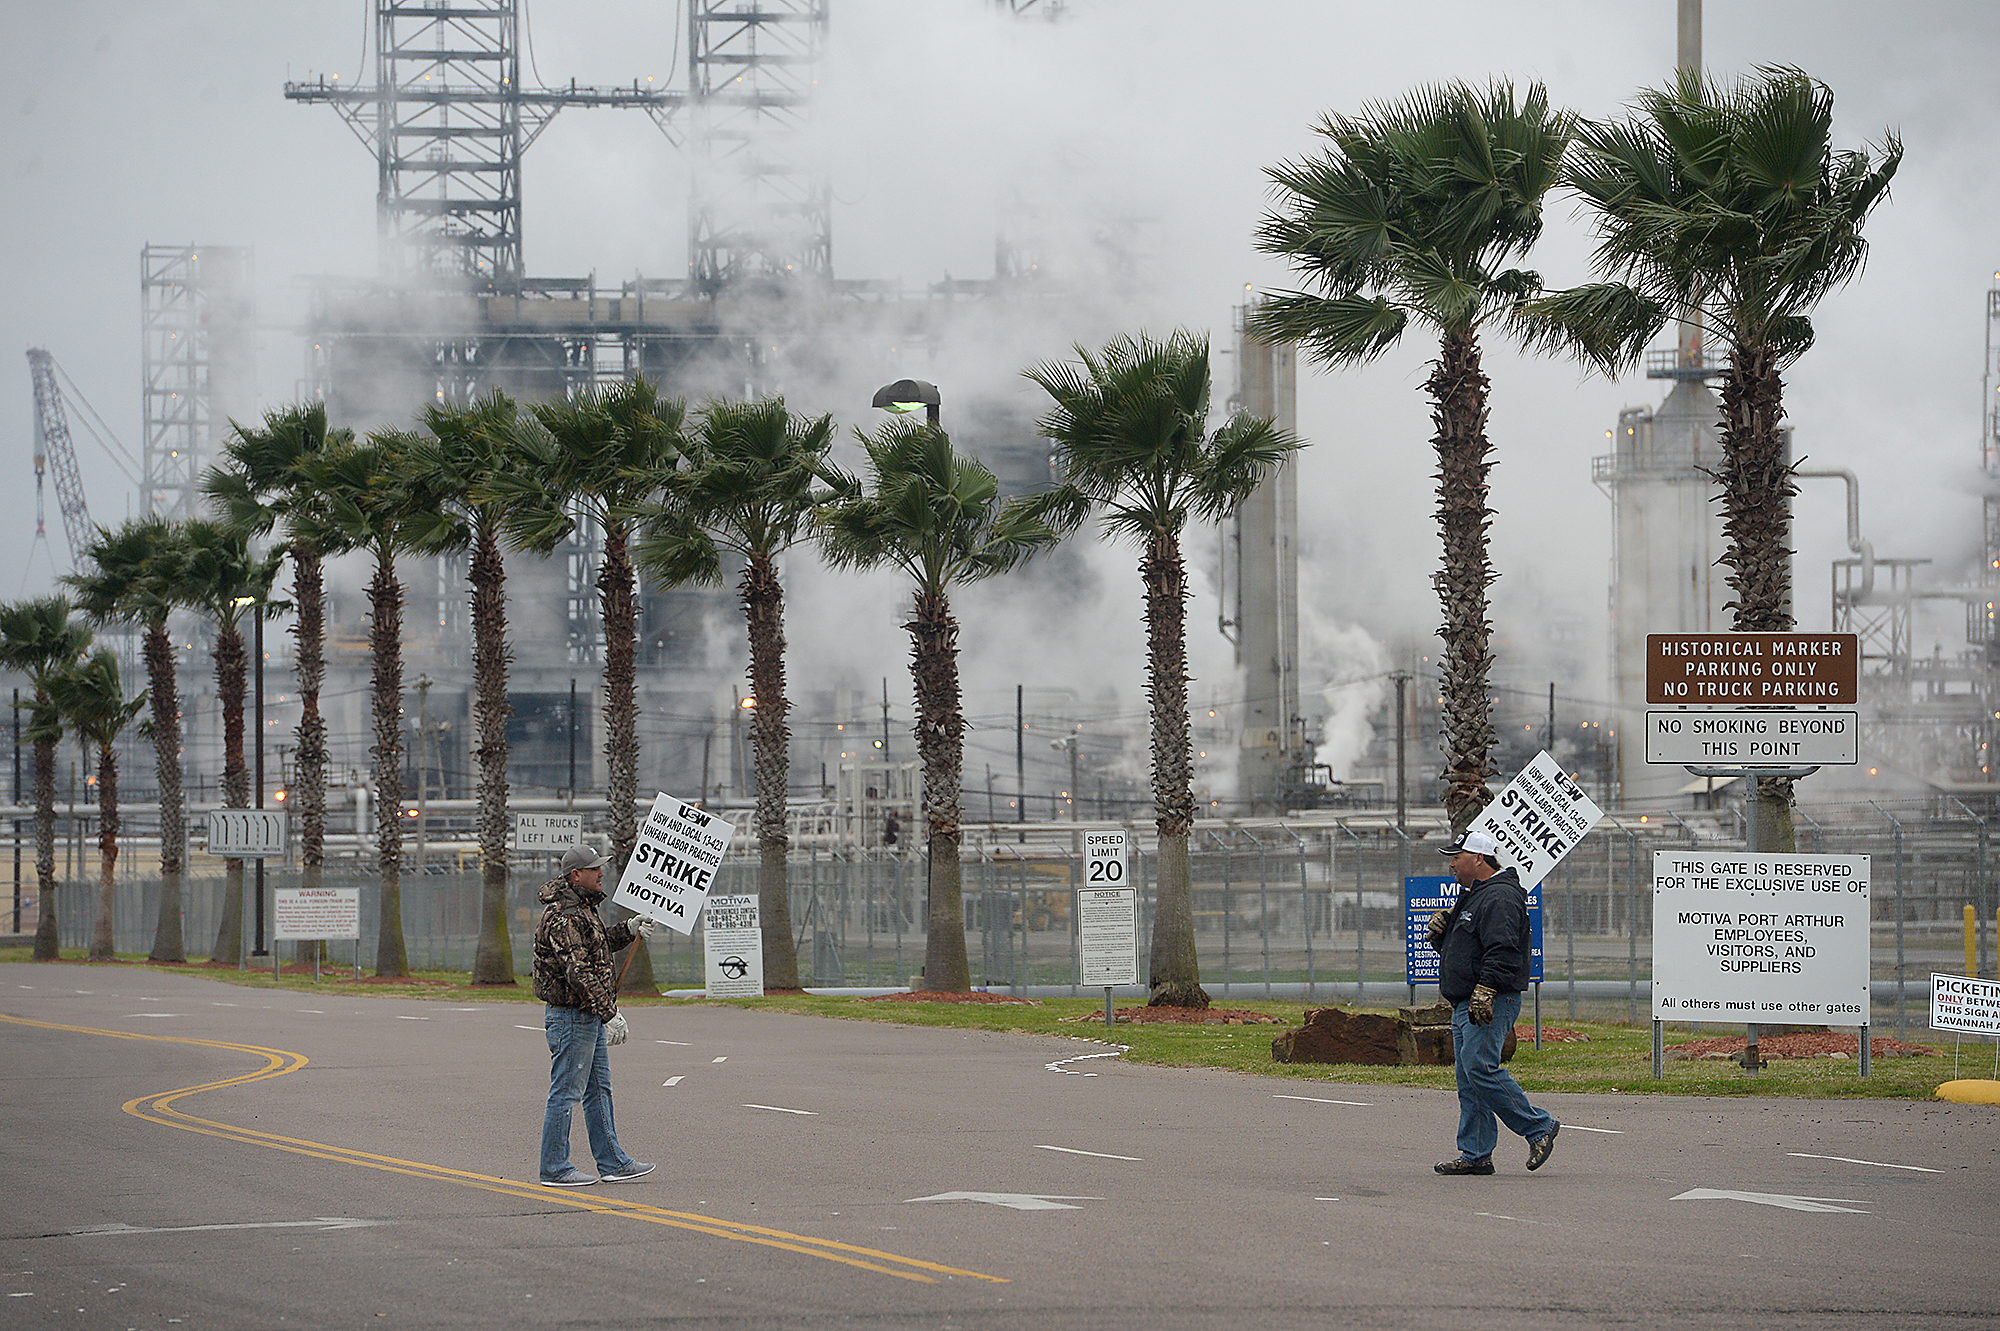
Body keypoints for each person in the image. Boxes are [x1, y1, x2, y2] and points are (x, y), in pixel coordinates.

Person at [1427, 828, 1560, 1176]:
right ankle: (1475, 1154)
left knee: (1480, 1067)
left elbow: (1503, 950)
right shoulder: (1474, 895)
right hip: (1464, 1002)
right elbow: (1465, 952)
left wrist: (1486, 989)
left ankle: (1539, 1127)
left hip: (1488, 1000)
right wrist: (1441, 935)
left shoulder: (1500, 897)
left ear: (1478, 859)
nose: (1451, 864)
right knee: (1469, 1078)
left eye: (1456, 857)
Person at [533, 841, 658, 1187]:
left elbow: (596, 943)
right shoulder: (563, 915)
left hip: (585, 1015)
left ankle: (612, 1162)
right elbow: (579, 970)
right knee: (566, 1092)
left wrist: (628, 930)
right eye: (595, 869)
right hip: (573, 1017)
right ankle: (555, 1168)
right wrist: (609, 1014)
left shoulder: (581, 909)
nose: (602, 873)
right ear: (576, 875)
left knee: (598, 1090)